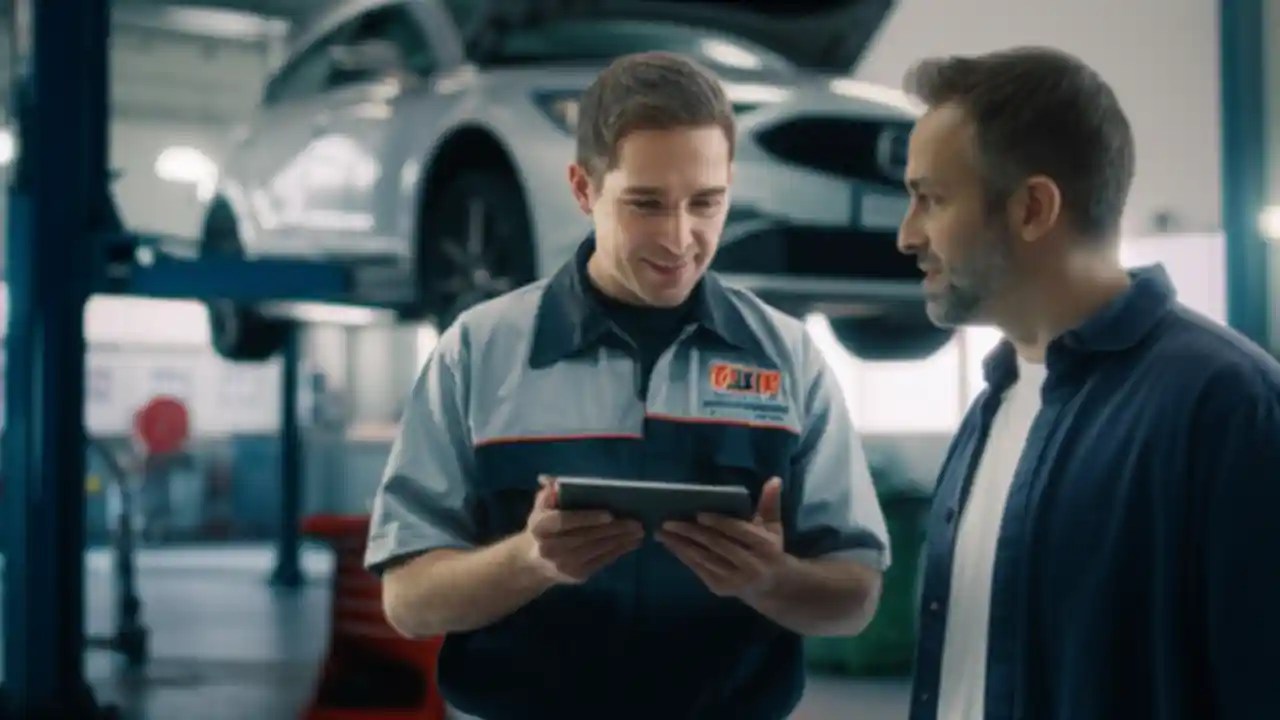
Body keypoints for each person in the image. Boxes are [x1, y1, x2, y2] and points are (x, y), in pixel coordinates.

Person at [363, 51, 890, 720]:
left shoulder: (789, 359)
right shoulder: (477, 353)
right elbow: (408, 601)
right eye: (646, 204)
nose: (680, 239)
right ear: (584, 189)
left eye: (707, 203)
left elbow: (857, 595)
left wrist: (771, 579)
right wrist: (531, 560)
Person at [896, 46, 1280, 719]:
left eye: (931, 199)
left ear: (1033, 209)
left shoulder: (1227, 406)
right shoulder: (996, 404)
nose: (907, 235)